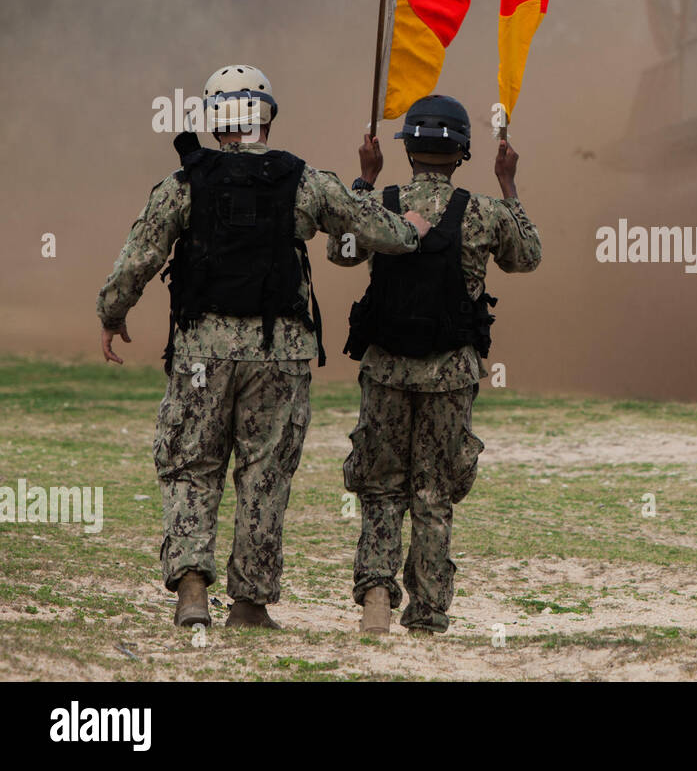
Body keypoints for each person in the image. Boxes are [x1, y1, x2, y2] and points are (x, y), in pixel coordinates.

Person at [97, 64, 432, 629]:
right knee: (264, 473)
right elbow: (374, 230)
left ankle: (192, 588)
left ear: (212, 120)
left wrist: (113, 312)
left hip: (202, 353)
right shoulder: (305, 182)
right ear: (267, 117)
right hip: (279, 356)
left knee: (190, 466)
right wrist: (412, 226)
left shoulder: (184, 184)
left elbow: (138, 258)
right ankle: (250, 606)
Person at [328, 94, 541, 635]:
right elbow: (528, 257)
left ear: (409, 149)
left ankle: (376, 592)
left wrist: (364, 181)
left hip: (385, 371)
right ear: (462, 152)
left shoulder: (383, 206)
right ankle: (426, 612)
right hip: (450, 375)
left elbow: (341, 250)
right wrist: (509, 184)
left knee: (380, 484)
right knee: (433, 491)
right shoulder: (483, 211)